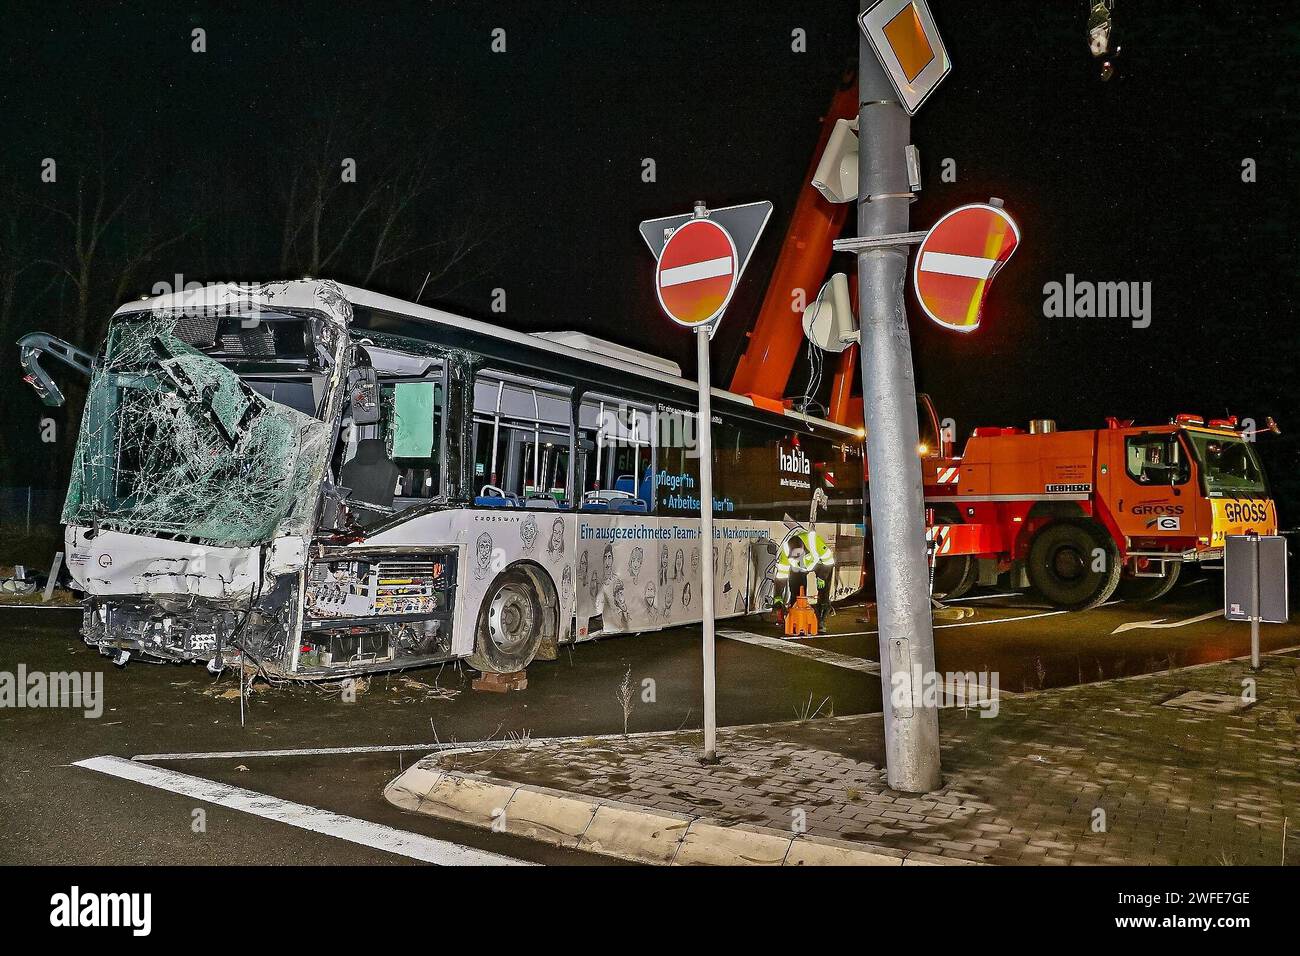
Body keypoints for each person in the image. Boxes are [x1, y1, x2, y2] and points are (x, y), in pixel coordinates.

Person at [772, 528, 833, 628]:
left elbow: (829, 561)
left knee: (823, 589)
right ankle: (796, 617)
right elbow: (781, 575)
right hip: (798, 570)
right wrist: (778, 596)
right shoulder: (786, 550)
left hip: (820, 565)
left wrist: (822, 576)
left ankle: (821, 619)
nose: (798, 559)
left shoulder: (814, 541)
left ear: (804, 549)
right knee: (796, 591)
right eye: (795, 558)